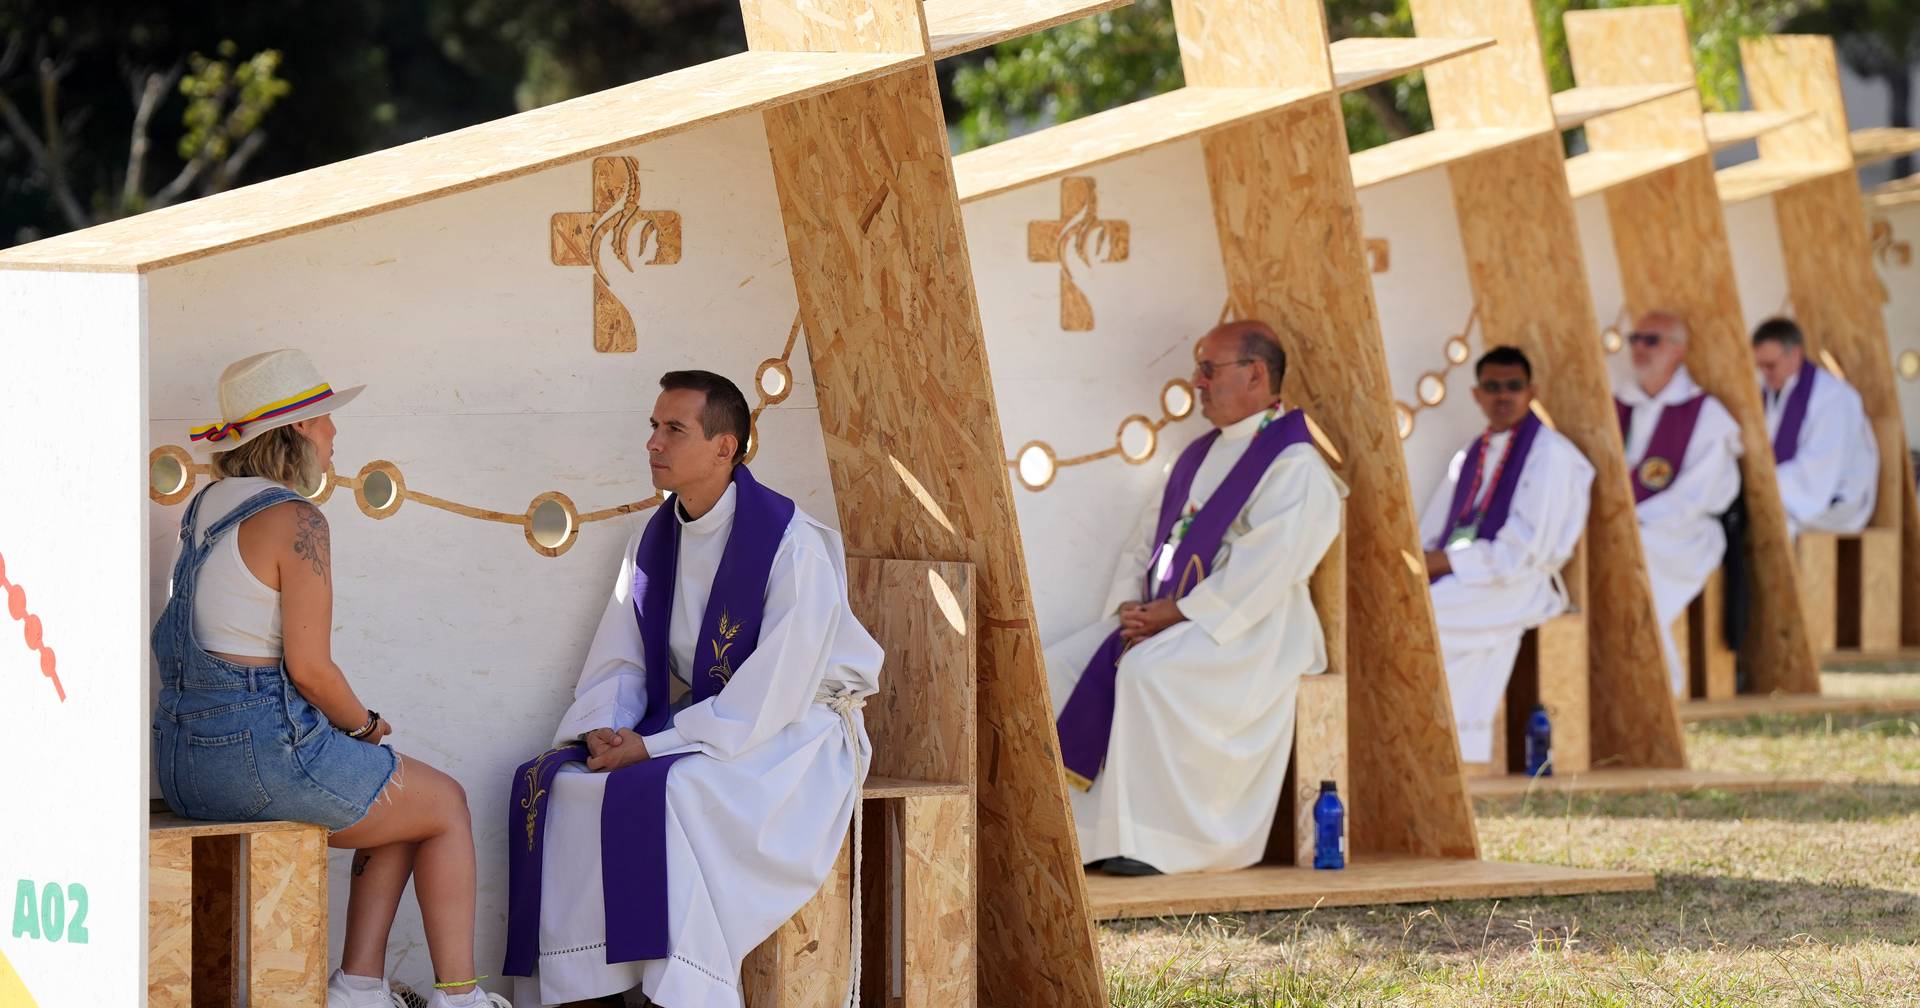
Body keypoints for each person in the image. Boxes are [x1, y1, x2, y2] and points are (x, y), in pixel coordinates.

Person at [505, 371, 881, 1008]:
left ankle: (679, 992)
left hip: (798, 731)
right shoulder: (653, 539)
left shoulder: (791, 544)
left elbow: (776, 689)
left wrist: (651, 750)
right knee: (564, 784)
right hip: (710, 720)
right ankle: (589, 990)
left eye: (673, 429)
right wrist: (605, 724)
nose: (653, 442)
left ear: (724, 448)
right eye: (653, 426)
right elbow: (622, 655)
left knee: (678, 792)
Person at [151, 349, 506, 1008]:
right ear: (293, 433)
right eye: (322, 421)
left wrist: (359, 742)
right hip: (256, 761)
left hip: (182, 762)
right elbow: (311, 671)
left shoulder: (202, 510)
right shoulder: (295, 519)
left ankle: (362, 987)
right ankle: (461, 998)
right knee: (447, 805)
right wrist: (365, 724)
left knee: (401, 802)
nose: (334, 434)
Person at [1047, 320, 1346, 877]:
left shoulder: (1295, 464)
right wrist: (1131, 610)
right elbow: (1145, 540)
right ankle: (1088, 835)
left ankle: (1166, 843)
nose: (1197, 382)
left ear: (1256, 374)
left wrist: (1178, 613)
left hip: (1252, 628)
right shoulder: (1197, 455)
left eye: (1209, 368)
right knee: (1057, 666)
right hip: (1171, 616)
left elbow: (1272, 565)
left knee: (1147, 675)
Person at [1420, 346, 1592, 765]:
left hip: (1521, 583)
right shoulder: (1471, 454)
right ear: (1477, 395)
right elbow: (1431, 531)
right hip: (1470, 575)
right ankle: (1442, 747)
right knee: (1412, 609)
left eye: (1513, 386)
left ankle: (1457, 748)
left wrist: (1443, 563)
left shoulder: (1548, 454)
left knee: (1423, 620)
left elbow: (1523, 551)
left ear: (1531, 391)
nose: (1503, 396)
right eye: (1493, 387)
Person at [1614, 311, 1742, 694]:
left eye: (1650, 341)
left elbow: (1695, 495)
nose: (1639, 348)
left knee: (1641, 556)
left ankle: (1660, 685)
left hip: (1686, 532)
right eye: (1635, 339)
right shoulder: (1618, 404)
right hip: (1629, 525)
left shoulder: (1706, 415)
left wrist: (1631, 521)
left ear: (1677, 351)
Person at [1753, 317, 1879, 536]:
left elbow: (1819, 469)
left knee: (1769, 525)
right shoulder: (1771, 393)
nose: (1764, 373)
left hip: (1836, 501)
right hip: (1792, 488)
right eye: (1760, 366)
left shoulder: (1833, 397)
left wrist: (1763, 484)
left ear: (1795, 354)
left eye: (1770, 365)